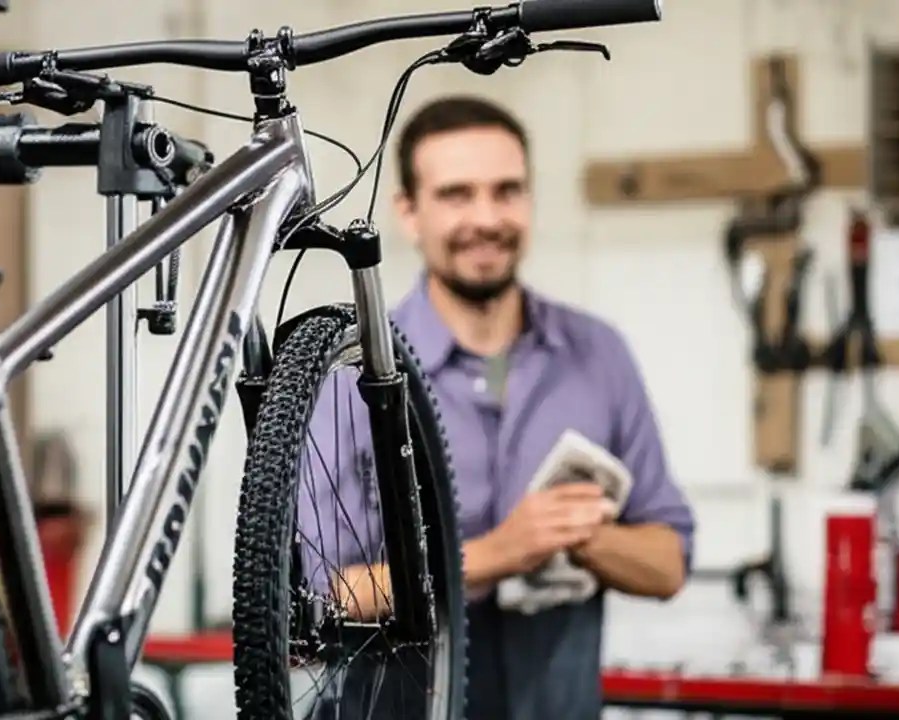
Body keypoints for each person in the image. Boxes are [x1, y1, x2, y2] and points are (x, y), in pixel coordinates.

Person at [298, 95, 696, 719]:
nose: (486, 217)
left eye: (507, 191)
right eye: (457, 194)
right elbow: (321, 594)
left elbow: (668, 563)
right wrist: (501, 551)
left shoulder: (597, 355)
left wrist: (585, 536)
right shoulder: (351, 375)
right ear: (409, 211)